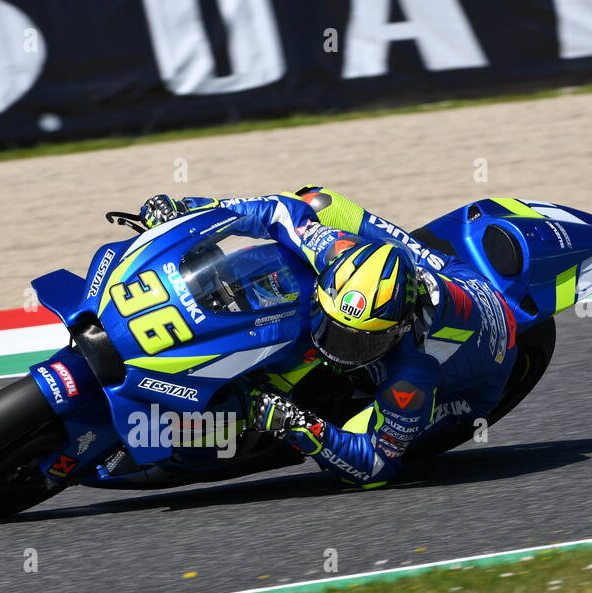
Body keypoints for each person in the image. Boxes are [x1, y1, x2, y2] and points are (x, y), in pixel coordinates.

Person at [139, 188, 519, 486]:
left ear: (398, 330)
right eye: (334, 329)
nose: (339, 348)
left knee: (343, 431)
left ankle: (206, 431)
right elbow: (277, 211)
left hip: (472, 387)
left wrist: (303, 426)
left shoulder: (411, 377)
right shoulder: (336, 252)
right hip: (447, 275)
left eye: (361, 342)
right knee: (315, 199)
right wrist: (191, 211)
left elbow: (374, 467)